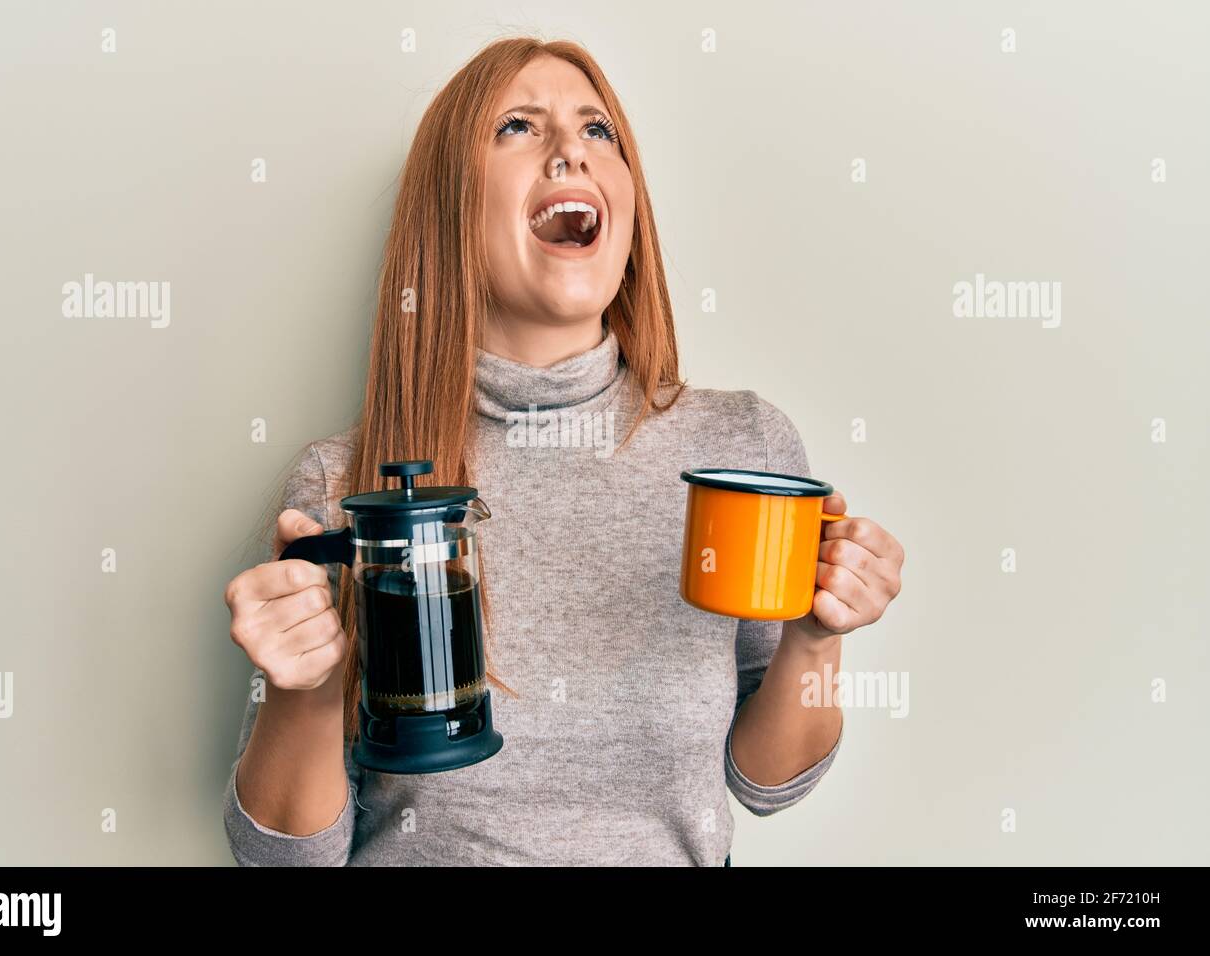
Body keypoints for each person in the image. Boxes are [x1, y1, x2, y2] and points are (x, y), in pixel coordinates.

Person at [221, 36, 905, 866]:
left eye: (598, 130)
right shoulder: (344, 488)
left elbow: (770, 785)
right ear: (451, 209)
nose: (569, 149)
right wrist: (307, 693)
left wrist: (818, 636)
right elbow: (284, 857)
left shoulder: (743, 448)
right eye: (517, 126)